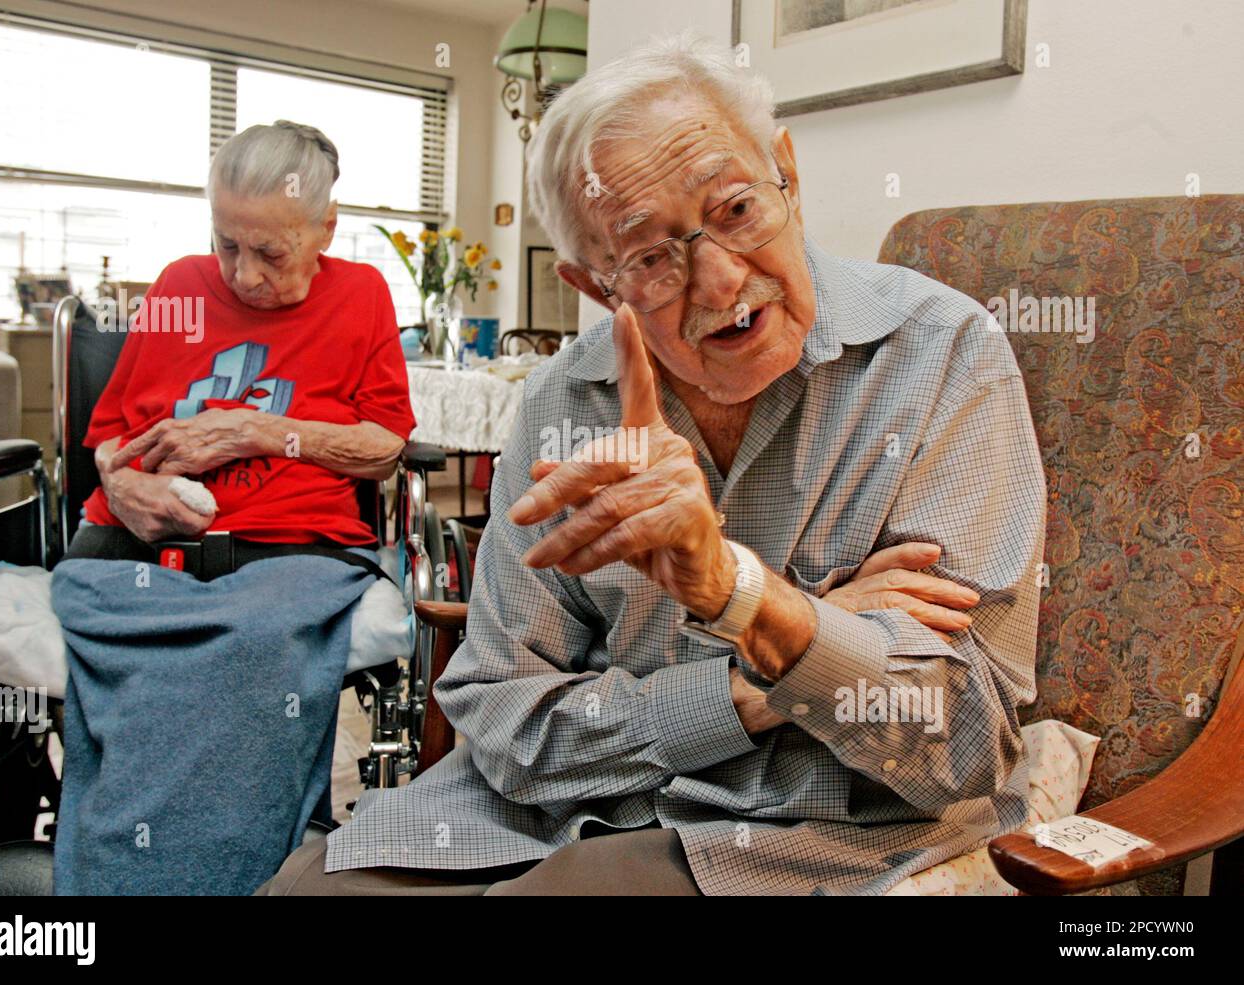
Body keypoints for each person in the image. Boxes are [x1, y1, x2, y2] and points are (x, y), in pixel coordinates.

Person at [263, 31, 1045, 896]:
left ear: (784, 166)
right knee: (300, 889)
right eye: (648, 255)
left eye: (737, 209)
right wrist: (763, 677)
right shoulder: (564, 402)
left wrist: (737, 593)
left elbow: (963, 738)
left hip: (805, 830)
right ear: (594, 285)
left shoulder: (941, 355)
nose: (717, 280)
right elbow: (501, 713)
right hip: (555, 808)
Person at [52, 121, 415, 895]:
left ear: (325, 228)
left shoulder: (362, 295)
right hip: (136, 546)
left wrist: (258, 430)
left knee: (255, 650)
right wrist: (123, 487)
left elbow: (384, 445)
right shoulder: (179, 284)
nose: (243, 274)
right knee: (124, 648)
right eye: (227, 245)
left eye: (269, 253)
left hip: (288, 551)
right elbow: (110, 439)